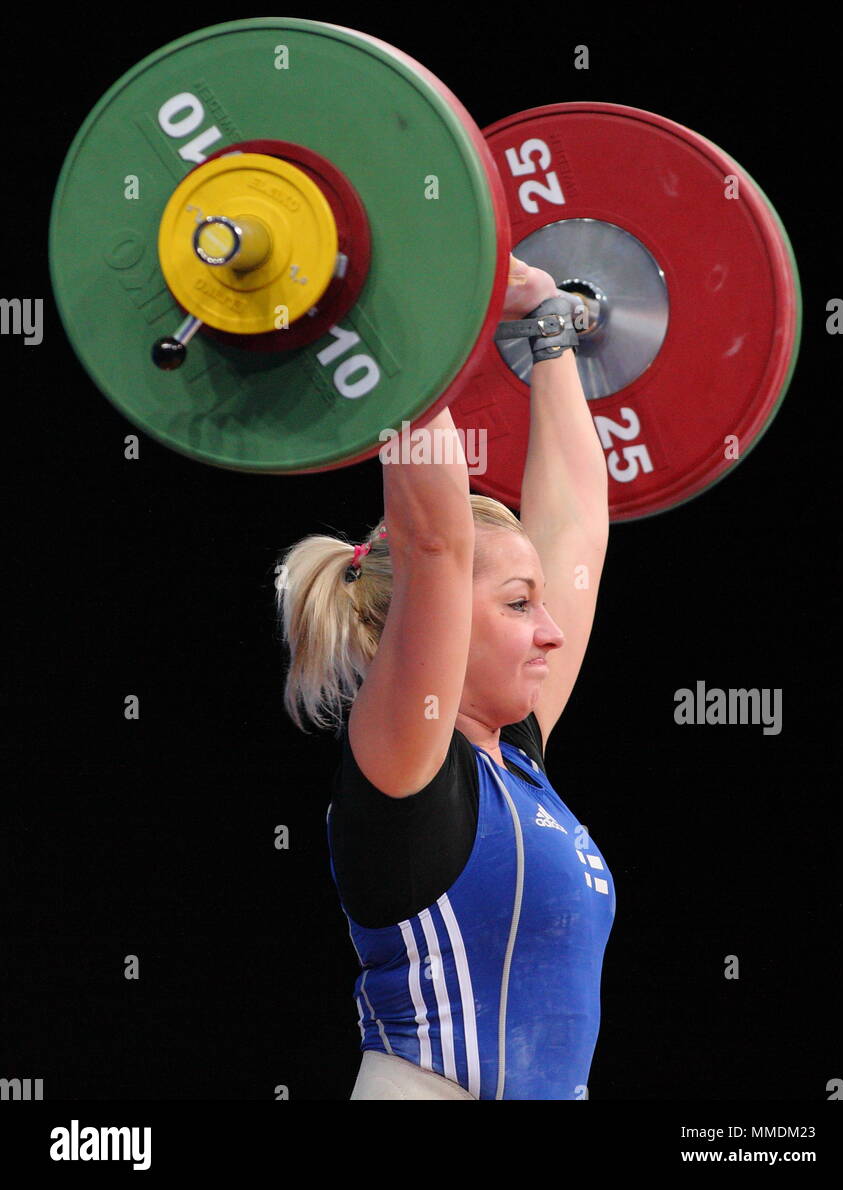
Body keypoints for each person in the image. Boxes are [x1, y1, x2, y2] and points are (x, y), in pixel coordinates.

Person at [274, 257, 614, 1099]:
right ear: (440, 624)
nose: (552, 630)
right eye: (518, 604)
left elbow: (579, 518)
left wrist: (546, 328)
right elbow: (434, 542)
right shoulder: (408, 765)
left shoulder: (517, 760)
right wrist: (405, 319)